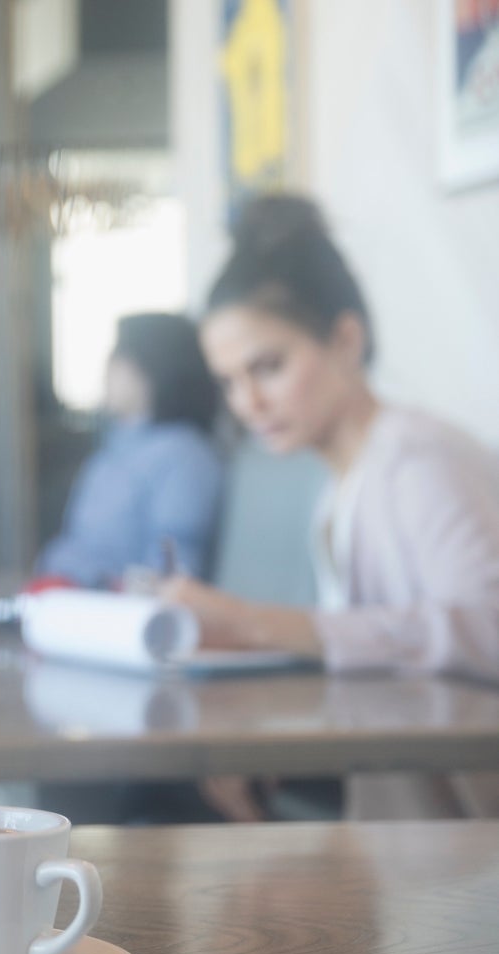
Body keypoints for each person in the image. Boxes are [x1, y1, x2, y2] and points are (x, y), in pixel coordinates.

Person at [160, 193, 499, 820]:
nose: (248, 403)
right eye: (229, 381)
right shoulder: (341, 485)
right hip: (401, 842)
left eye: (268, 366)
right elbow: (390, 668)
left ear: (346, 339)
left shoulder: (418, 465)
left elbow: (487, 629)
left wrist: (261, 622)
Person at [37, 313, 224, 588]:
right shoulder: (116, 449)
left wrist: (93, 585)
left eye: (118, 358)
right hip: (65, 597)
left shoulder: (184, 455)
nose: (105, 370)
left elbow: (173, 574)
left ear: (154, 369)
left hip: (110, 612)